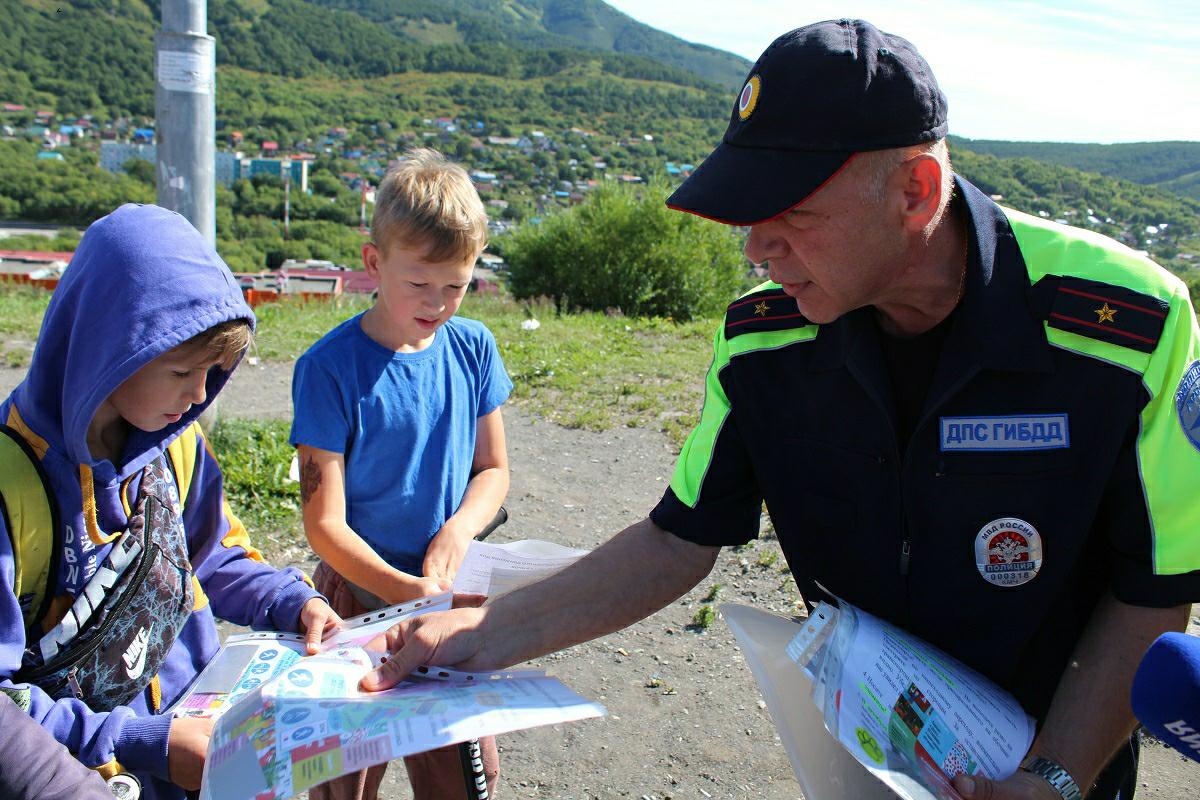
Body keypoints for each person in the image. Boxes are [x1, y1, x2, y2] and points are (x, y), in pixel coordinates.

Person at [361, 19, 1200, 800]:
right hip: (869, 744)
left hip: (1054, 761)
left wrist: (1051, 779)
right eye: (746, 215)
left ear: (915, 189)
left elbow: (1155, 587)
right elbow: (674, 539)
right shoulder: (762, 342)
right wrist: (477, 635)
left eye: (790, 212)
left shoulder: (1126, 327)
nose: (758, 249)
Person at [0, 203, 340, 799]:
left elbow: (211, 557)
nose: (200, 395)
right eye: (184, 369)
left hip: (201, 746)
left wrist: (293, 602)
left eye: (215, 371)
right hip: (85, 774)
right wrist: (138, 741)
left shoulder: (176, 445)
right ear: (108, 353)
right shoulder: (9, 486)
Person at [290, 148, 511, 800]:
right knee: (345, 777)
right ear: (373, 263)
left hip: (447, 586)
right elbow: (323, 524)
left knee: (468, 773)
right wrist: (403, 589)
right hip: (358, 596)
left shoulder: (473, 348)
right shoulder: (328, 369)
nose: (438, 303)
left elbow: (493, 469)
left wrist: (457, 534)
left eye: (457, 285)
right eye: (419, 284)